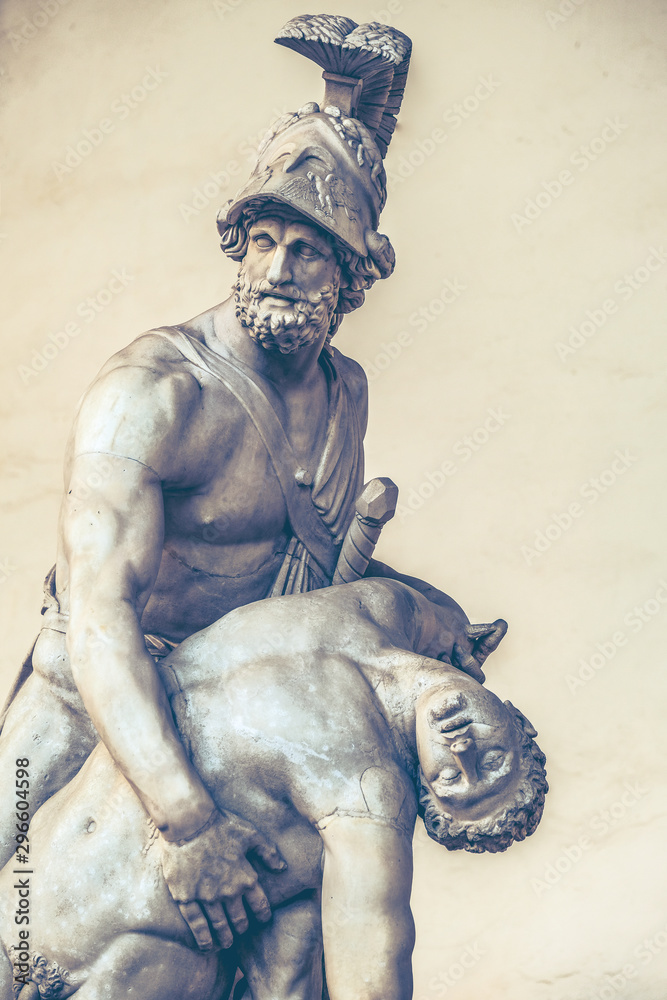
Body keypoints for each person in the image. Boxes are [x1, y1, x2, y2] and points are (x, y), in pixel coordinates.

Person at [0, 17, 499, 946]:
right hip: (96, 707)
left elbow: (313, 587)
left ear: (353, 277)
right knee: (15, 932)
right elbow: (100, 614)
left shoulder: (345, 391)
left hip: (252, 716)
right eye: (261, 239)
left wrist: (430, 625)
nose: (275, 268)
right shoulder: (152, 392)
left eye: (308, 251)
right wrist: (182, 818)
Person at [0, 578, 547, 1000]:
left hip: (123, 977)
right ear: (513, 718)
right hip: (19, 902)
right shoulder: (394, 608)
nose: (462, 749)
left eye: (452, 778)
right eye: (492, 759)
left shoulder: (371, 797)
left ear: (424, 786)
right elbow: (438, 614)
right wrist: (455, 632)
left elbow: (373, 961)